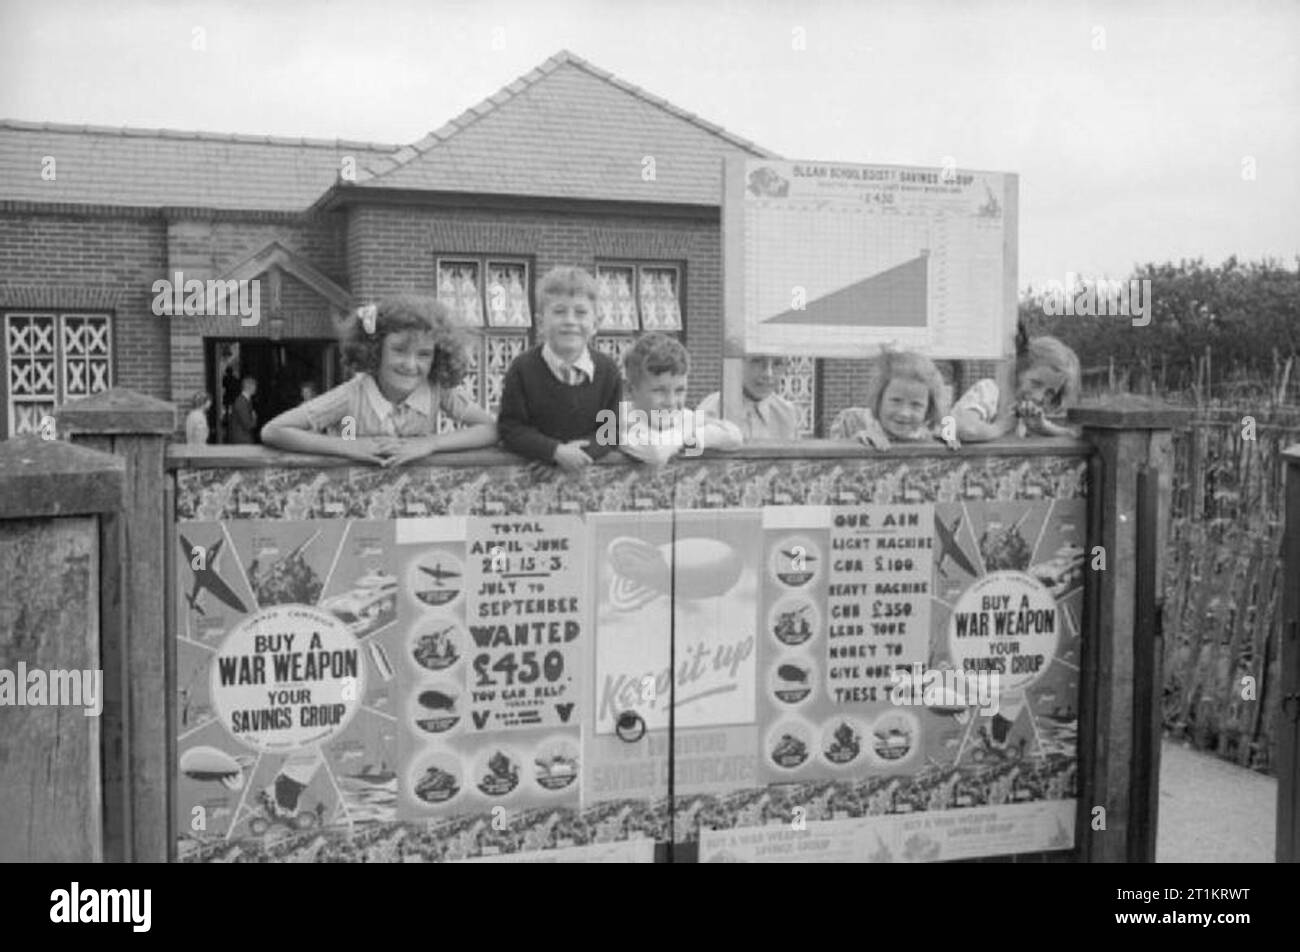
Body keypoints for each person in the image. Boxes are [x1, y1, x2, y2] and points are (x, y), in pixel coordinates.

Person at [259, 296, 497, 466]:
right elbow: (275, 430)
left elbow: (490, 429)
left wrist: (431, 443)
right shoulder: (351, 395)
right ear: (374, 351)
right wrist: (350, 446)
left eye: (424, 354)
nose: (411, 365)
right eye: (399, 350)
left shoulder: (437, 391)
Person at [497, 266, 622, 474]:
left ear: (596, 323)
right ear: (540, 322)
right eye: (559, 311)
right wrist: (554, 452)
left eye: (580, 312)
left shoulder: (608, 371)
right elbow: (511, 428)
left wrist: (575, 456)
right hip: (533, 481)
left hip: (584, 477)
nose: (570, 321)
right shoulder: (522, 368)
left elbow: (610, 431)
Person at [615, 333, 742, 466]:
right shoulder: (618, 420)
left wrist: (697, 437)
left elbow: (734, 435)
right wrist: (686, 431)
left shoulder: (683, 418)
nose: (670, 402)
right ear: (630, 390)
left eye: (679, 391)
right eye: (659, 391)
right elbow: (657, 453)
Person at [952, 335, 1081, 442]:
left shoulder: (1020, 407)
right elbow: (964, 427)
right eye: (1035, 383)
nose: (1039, 397)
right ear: (1019, 370)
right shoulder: (989, 391)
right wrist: (1002, 426)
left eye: (1049, 393)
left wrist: (1040, 427)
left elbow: (1070, 434)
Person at [829, 350, 954, 449]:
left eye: (916, 405)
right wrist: (856, 444)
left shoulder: (930, 434)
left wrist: (948, 441)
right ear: (879, 399)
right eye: (896, 400)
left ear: (929, 409)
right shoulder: (851, 422)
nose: (904, 413)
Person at [696, 355, 801, 441]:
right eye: (757, 361)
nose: (768, 374)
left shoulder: (788, 414)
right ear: (738, 363)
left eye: (777, 363)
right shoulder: (709, 410)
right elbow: (691, 457)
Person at [228, 376, 259, 444]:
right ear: (249, 387)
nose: (256, 389)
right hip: (242, 440)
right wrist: (254, 418)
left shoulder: (246, 401)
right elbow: (247, 425)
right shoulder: (241, 402)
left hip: (244, 438)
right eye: (255, 386)